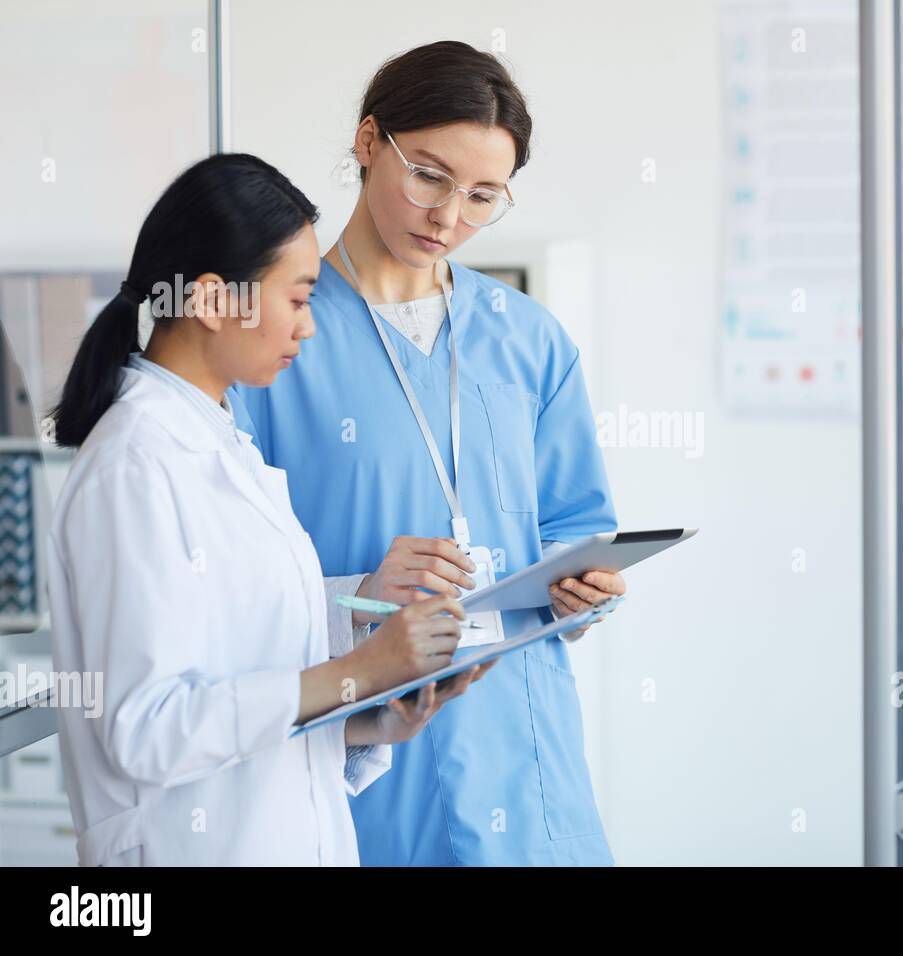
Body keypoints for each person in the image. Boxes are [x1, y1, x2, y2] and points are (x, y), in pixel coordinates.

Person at [231, 41, 626, 866]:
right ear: (369, 142)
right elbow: (228, 594)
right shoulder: (273, 342)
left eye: (484, 196)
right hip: (365, 762)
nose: (449, 217)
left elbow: (573, 525)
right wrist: (360, 597)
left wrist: (583, 588)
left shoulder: (528, 340)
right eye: (430, 176)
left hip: (528, 763)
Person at [47, 153, 486, 866]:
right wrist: (362, 671)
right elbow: (148, 729)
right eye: (299, 297)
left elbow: (243, 661)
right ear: (217, 301)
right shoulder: (134, 464)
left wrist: (368, 706)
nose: (307, 329)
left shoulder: (220, 445)